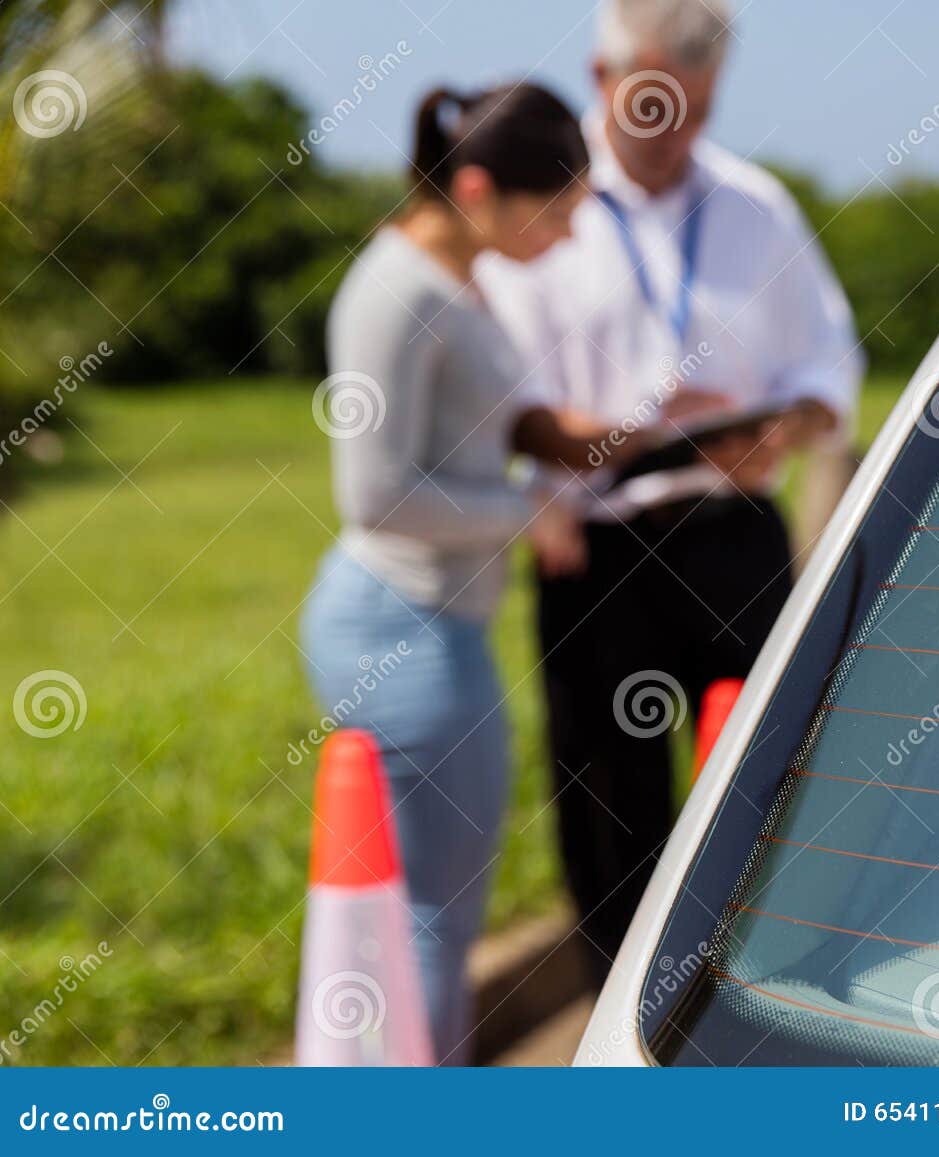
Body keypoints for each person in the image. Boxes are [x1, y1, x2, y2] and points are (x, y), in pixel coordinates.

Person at [477, 0, 864, 985]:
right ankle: (623, 1008)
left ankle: (775, 994)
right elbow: (502, 398)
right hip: (600, 547)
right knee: (609, 800)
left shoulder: (757, 206)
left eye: (693, 112)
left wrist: (783, 428)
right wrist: (586, 455)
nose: (674, 135)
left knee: (772, 773)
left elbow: (832, 365)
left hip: (733, 536)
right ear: (603, 82)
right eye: (654, 109)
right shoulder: (541, 212)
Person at [300, 82, 615, 1062]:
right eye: (556, 213)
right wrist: (528, 511)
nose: (566, 239)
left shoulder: (457, 276)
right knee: (432, 919)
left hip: (436, 622)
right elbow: (377, 494)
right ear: (476, 187)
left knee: (435, 911)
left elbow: (470, 442)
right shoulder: (397, 294)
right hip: (403, 627)